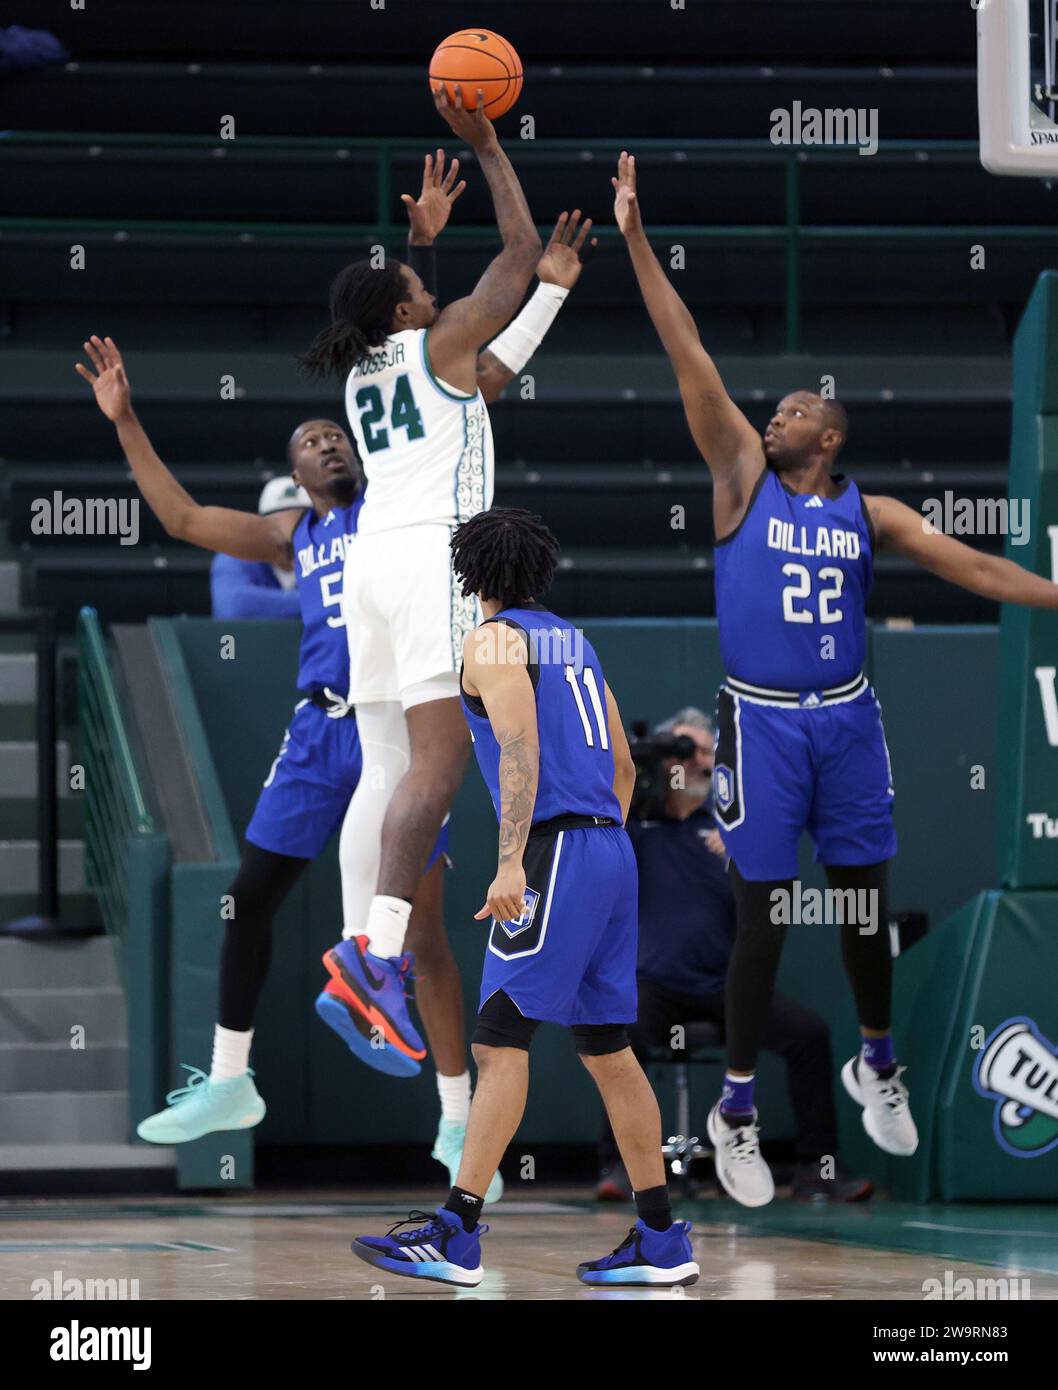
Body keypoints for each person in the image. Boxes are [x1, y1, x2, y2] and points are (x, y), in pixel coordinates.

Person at [613, 149, 1058, 1208]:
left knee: (864, 906)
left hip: (846, 721)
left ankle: (877, 1060)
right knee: (762, 916)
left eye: (795, 409)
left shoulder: (872, 512)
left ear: (833, 433)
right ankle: (731, 1113)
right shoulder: (737, 481)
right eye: (772, 410)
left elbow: (980, 567)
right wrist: (634, 239)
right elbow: (688, 356)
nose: (774, 415)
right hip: (761, 724)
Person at [70, 155, 505, 1195]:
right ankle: (230, 1078)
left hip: (397, 707)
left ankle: (451, 1120)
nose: (325, 441)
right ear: (294, 475)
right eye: (309, 440)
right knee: (250, 896)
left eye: (331, 433)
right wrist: (126, 419)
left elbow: (409, 346)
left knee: (426, 936)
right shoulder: (286, 534)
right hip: (322, 727)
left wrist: (425, 248)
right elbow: (177, 520)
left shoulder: (387, 502)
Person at [301, 87, 595, 1075]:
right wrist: (489, 143)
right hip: (430, 554)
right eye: (416, 287)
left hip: (368, 567)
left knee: (387, 762)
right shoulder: (432, 342)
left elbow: (482, 375)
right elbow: (508, 257)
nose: (429, 292)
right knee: (438, 765)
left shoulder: (369, 369)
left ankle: (363, 942)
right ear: (403, 310)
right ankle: (374, 958)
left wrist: (540, 289)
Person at [350, 508, 698, 1289]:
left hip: (557, 852)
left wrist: (513, 861)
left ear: (468, 575)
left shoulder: (492, 640)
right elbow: (623, 766)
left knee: (499, 1039)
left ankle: (458, 1231)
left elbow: (519, 744)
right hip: (610, 847)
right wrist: (596, 840)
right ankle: (661, 1238)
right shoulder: (573, 640)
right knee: (609, 1050)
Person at [597, 707, 873, 1204]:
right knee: (615, 1023)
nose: (700, 762)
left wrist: (742, 846)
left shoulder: (729, 829)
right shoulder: (634, 824)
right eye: (688, 751)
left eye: (709, 752)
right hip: (656, 984)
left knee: (809, 1034)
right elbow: (611, 783)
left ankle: (817, 1168)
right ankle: (623, 1162)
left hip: (726, 988)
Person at [210, 476, 310, 620]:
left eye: (300, 520)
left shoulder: (330, 553)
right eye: (278, 521)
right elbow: (233, 606)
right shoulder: (235, 555)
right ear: (260, 525)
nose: (289, 530)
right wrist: (315, 601)